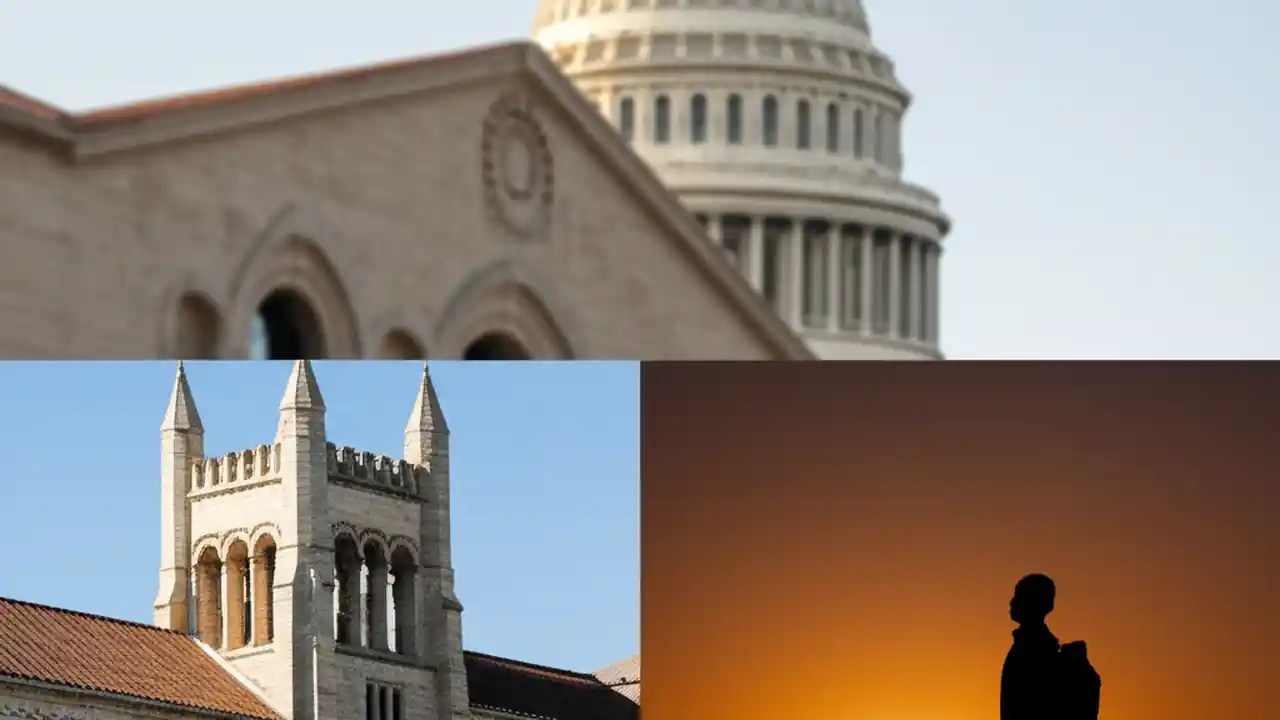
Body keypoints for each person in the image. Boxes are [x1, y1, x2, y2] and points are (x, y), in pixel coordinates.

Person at [1001, 573, 1066, 720]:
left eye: (1018, 597)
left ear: (1033, 603)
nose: (1012, 603)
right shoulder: (1024, 645)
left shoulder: (1038, 650)